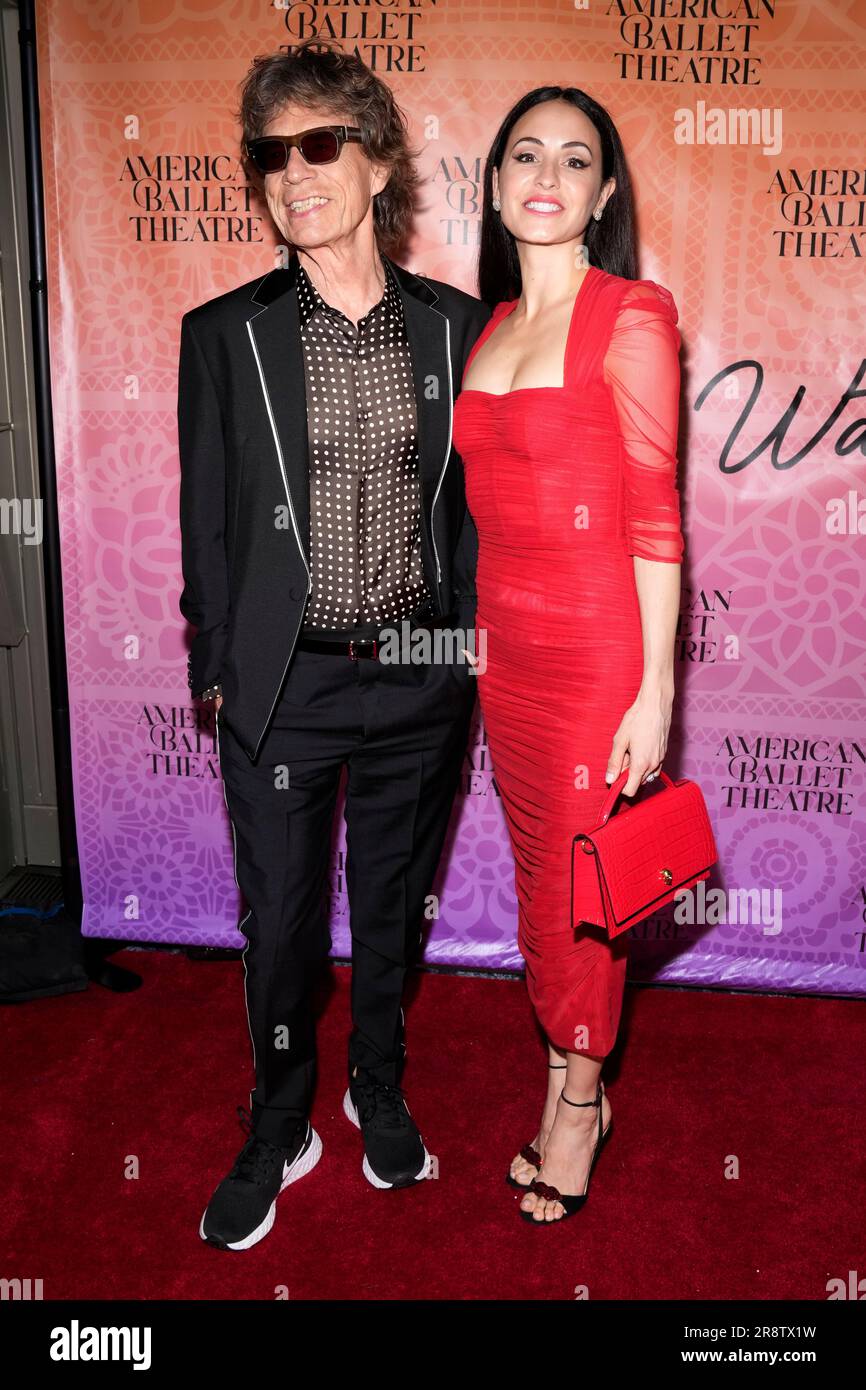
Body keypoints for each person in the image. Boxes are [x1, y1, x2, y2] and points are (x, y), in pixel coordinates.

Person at [177, 38, 490, 1251]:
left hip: (418, 672)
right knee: (283, 919)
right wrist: (220, 664)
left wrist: (464, 647)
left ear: (376, 162)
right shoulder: (226, 334)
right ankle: (276, 1121)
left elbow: (478, 510)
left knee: (395, 907)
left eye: (320, 144)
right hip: (285, 683)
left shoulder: (458, 330)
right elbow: (207, 516)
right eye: (270, 154)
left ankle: (377, 1086)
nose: (292, 173)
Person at [452, 86, 685, 1224]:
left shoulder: (631, 314)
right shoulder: (487, 326)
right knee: (541, 878)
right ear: (495, 186)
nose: (545, 173)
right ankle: (561, 1063)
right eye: (523, 155)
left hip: (596, 655)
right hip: (504, 658)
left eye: (573, 158)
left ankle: (581, 1104)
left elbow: (652, 511)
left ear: (599, 194)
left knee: (589, 890)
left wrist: (654, 689)